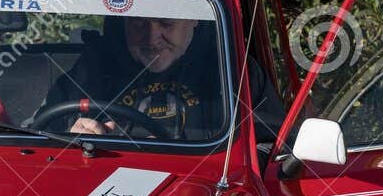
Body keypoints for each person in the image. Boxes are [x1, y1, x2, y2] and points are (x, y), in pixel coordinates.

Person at [40, 14, 283, 142]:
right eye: (138, 23)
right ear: (123, 22)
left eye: (166, 23)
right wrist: (70, 140)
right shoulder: (91, 69)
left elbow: (272, 150)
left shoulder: (233, 71)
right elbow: (39, 141)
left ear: (195, 19)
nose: (151, 38)